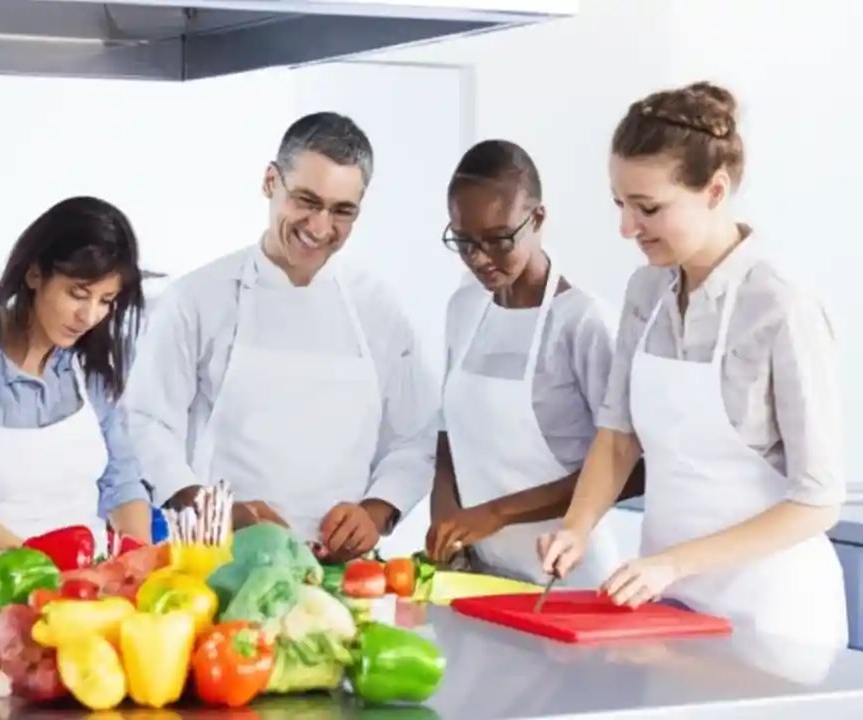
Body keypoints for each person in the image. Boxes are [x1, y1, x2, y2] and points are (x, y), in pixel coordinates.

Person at [539, 82, 847, 646]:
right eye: (620, 203)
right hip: (666, 602)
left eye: (648, 208)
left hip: (772, 614)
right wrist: (577, 527)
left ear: (715, 190)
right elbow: (617, 438)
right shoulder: (646, 291)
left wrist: (675, 563)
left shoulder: (780, 310)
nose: (627, 228)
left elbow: (818, 502)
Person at [123, 112, 439, 561]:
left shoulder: (379, 309)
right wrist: (214, 511)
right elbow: (147, 422)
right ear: (271, 181)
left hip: (341, 574)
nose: (320, 226)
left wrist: (375, 509)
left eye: (342, 211)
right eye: (306, 201)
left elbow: (416, 436)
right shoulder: (196, 299)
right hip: (223, 564)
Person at [426, 140, 641, 585]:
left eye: (499, 240)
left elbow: (633, 470)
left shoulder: (583, 323)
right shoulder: (463, 307)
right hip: (480, 571)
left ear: (537, 219)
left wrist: (498, 513)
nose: (479, 259)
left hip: (567, 578)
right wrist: (445, 509)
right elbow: (449, 430)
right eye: (464, 241)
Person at [0, 196, 152, 558]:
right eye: (78, 294)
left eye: (106, 301)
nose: (89, 317)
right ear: (34, 274)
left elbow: (121, 484)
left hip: (85, 590)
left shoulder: (90, 368)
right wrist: (39, 569)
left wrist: (140, 564)